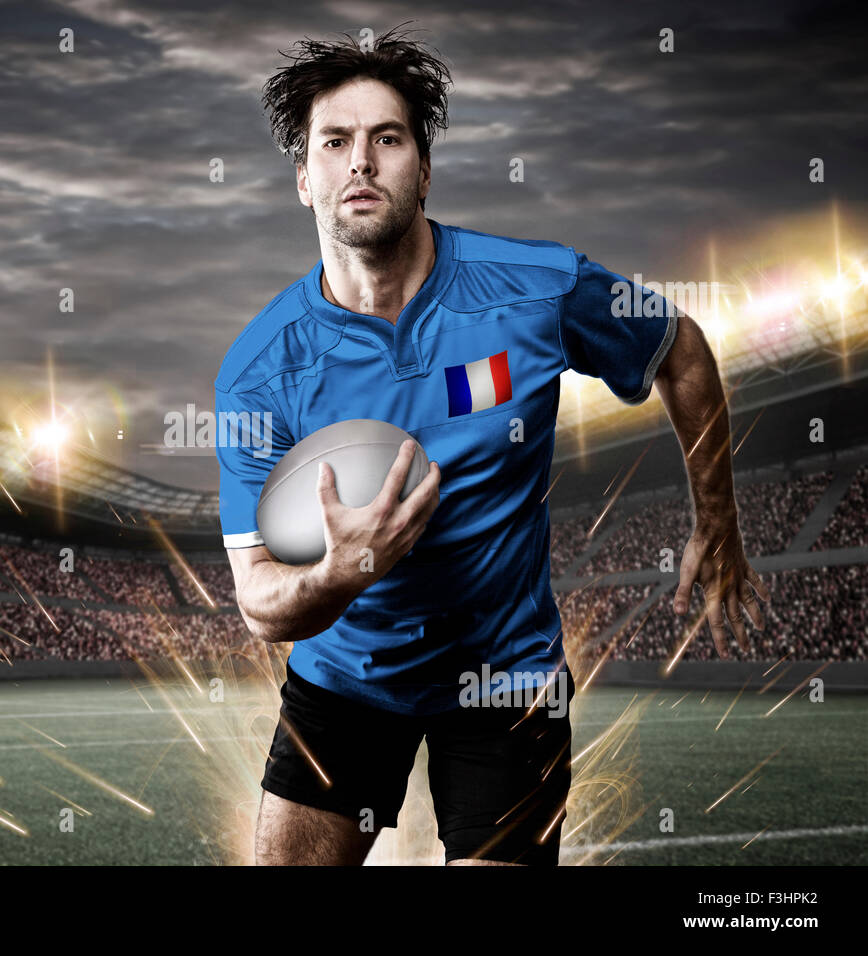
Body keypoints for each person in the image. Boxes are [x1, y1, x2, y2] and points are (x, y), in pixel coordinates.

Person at [214, 25, 769, 865]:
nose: (360, 162)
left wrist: (716, 519)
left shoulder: (538, 287)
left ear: (424, 169)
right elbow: (259, 602)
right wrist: (342, 570)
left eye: (387, 139)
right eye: (335, 142)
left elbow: (680, 350)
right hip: (345, 681)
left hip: (506, 680)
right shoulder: (259, 370)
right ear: (305, 178)